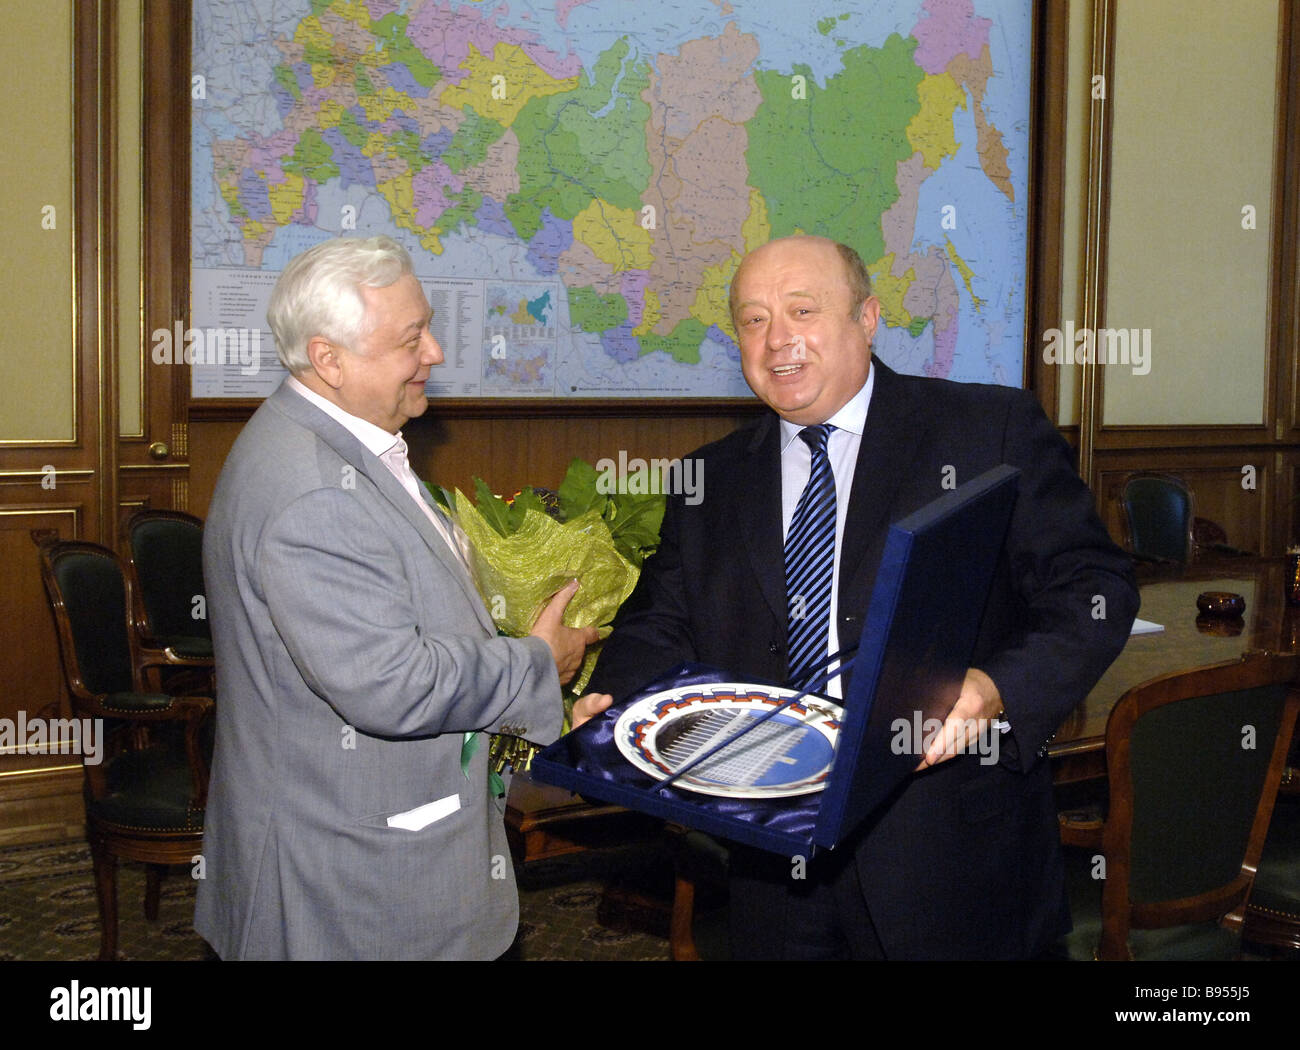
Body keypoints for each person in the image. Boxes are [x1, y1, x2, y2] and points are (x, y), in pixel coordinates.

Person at [587, 234, 1139, 959]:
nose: (777, 340)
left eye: (802, 310)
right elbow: (661, 621)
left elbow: (1093, 586)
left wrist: (996, 688)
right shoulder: (710, 479)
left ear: (868, 318)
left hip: (953, 857)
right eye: (753, 320)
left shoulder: (985, 431)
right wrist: (613, 696)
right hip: (774, 870)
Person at [194, 235, 609, 959]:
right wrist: (538, 664)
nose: (437, 352)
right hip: (350, 888)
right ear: (329, 360)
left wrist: (531, 708)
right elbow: (391, 686)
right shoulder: (315, 493)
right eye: (412, 337)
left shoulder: (337, 444)